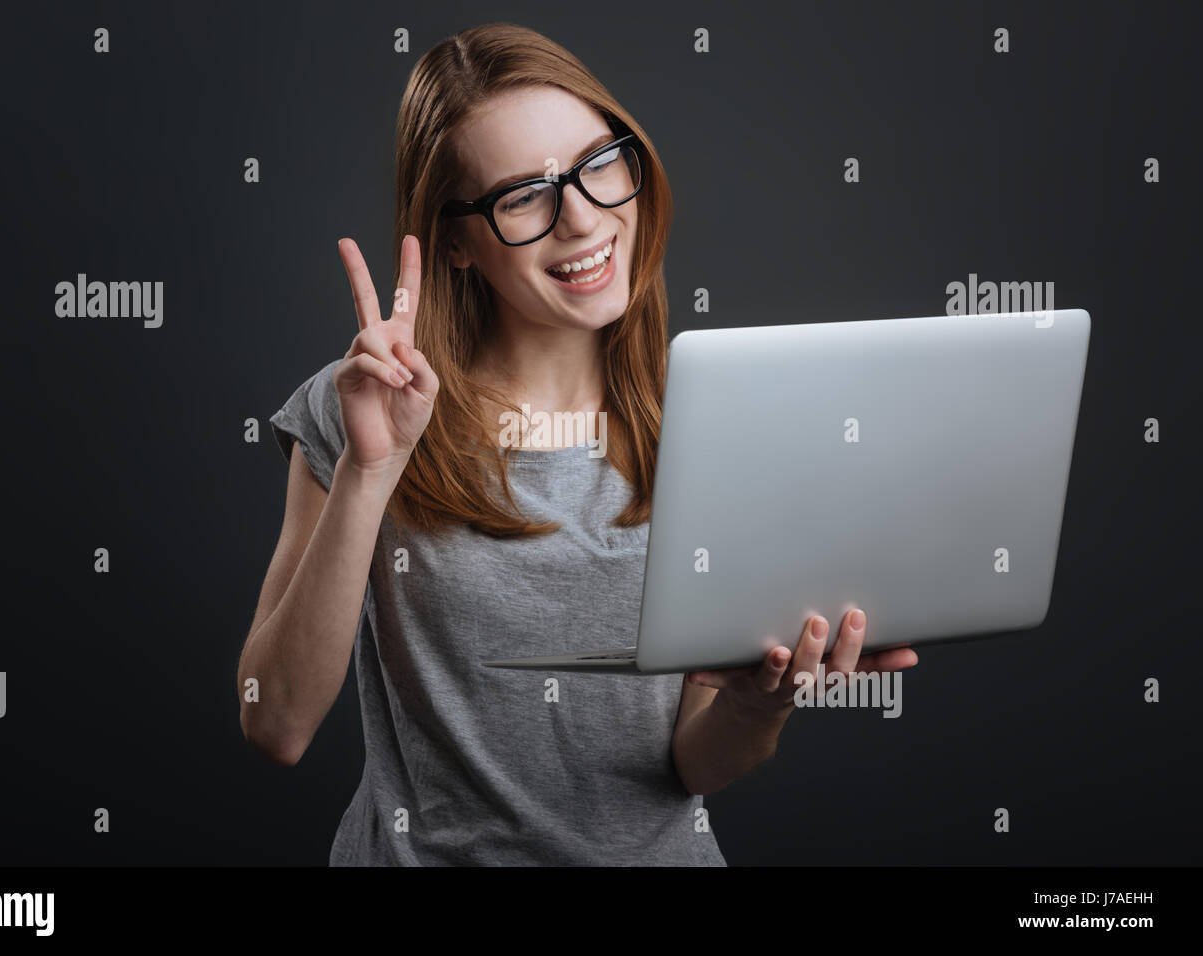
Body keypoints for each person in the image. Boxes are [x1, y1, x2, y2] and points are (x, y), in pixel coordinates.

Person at [236, 22, 918, 866]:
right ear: (455, 241)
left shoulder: (711, 424)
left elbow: (693, 764)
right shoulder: (357, 411)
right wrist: (370, 472)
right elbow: (276, 723)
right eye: (524, 195)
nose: (584, 219)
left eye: (600, 164)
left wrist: (758, 701)